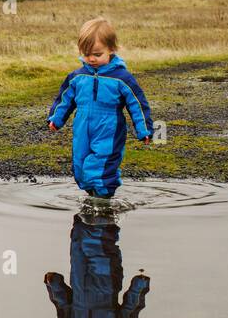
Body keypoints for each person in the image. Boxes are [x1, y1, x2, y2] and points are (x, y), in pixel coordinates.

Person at [47, 16, 153, 205]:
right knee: (80, 167)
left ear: (111, 49)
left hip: (109, 129)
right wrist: (56, 119)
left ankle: (104, 203)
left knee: (101, 165)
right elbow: (65, 99)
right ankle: (93, 198)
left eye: (97, 54)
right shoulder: (77, 77)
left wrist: (144, 129)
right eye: (86, 54)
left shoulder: (121, 78)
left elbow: (137, 104)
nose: (91, 59)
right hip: (82, 127)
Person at [44, 214, 150, 318]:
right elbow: (133, 304)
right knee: (101, 240)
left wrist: (53, 283)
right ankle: (105, 206)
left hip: (79, 271)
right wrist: (140, 284)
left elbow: (60, 299)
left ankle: (85, 211)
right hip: (106, 273)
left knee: (79, 238)